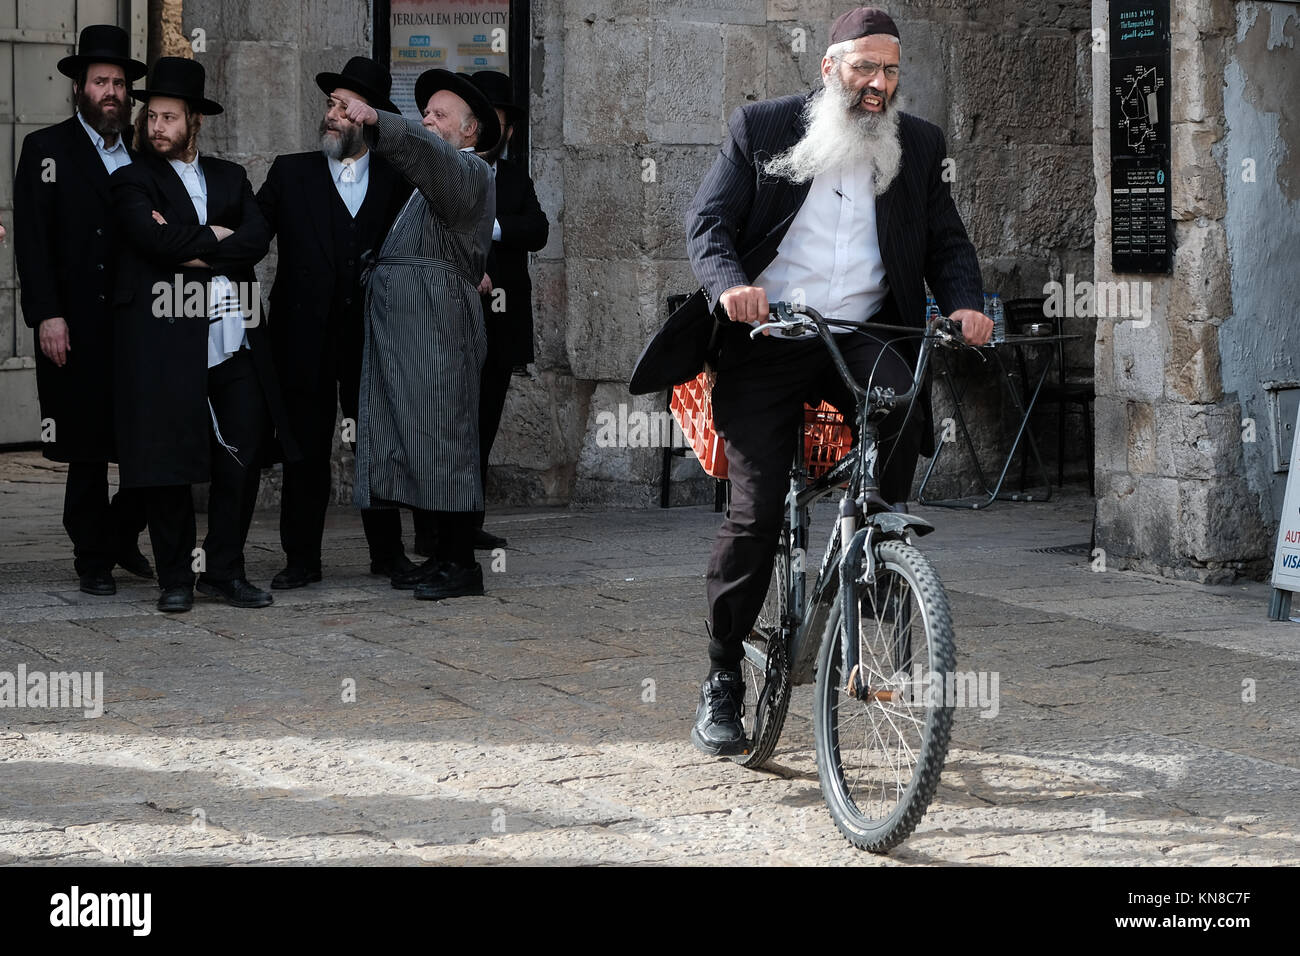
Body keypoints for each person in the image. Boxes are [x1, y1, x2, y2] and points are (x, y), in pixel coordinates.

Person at [683, 7, 993, 755]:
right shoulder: (761, 128)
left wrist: (965, 303)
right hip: (771, 335)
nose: (878, 85)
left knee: (902, 396)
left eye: (890, 72)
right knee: (754, 516)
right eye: (864, 69)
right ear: (830, 69)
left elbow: (947, 240)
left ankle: (878, 545)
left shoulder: (917, 146)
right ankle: (724, 672)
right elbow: (708, 225)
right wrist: (731, 287)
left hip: (861, 331)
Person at [110, 57, 297, 613]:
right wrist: (214, 236)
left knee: (239, 457)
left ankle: (224, 572)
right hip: (166, 343)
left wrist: (193, 244)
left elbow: (258, 239)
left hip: (235, 339)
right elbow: (150, 240)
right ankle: (175, 577)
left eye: (170, 117)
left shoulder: (230, 176)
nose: (157, 127)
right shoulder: (131, 179)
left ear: (194, 121)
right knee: (169, 460)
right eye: (152, 117)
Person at [257, 56, 428, 590]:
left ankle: (388, 553)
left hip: (374, 340)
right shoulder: (291, 172)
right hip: (302, 337)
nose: (330, 114)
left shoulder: (398, 179)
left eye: (343, 106)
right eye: (329, 104)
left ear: (368, 117)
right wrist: (200, 239)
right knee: (304, 448)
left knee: (375, 444)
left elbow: (424, 243)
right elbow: (251, 232)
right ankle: (301, 558)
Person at [339, 68, 498, 601]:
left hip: (439, 326)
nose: (427, 119)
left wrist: (381, 120)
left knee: (444, 441)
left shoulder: (470, 173)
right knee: (420, 443)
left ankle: (461, 565)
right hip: (409, 329)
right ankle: (441, 557)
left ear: (470, 131)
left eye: (438, 114)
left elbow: (430, 159)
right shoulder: (430, 183)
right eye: (423, 112)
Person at [13, 24, 151, 596]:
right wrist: (47, 314)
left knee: (148, 442)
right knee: (87, 447)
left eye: (119, 82)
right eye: (101, 81)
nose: (112, 91)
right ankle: (92, 556)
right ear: (79, 88)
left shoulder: (143, 159)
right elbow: (32, 241)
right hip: (73, 322)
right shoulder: (46, 151)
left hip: (136, 324)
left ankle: (119, 532)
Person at [466, 70, 549, 552]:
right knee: (448, 420)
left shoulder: (516, 178)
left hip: (500, 320)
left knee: (484, 420)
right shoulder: (447, 172)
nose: (495, 132)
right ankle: (435, 526)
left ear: (508, 132)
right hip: (452, 316)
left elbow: (536, 230)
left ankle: (469, 520)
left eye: (502, 124)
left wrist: (491, 227)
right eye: (486, 121)